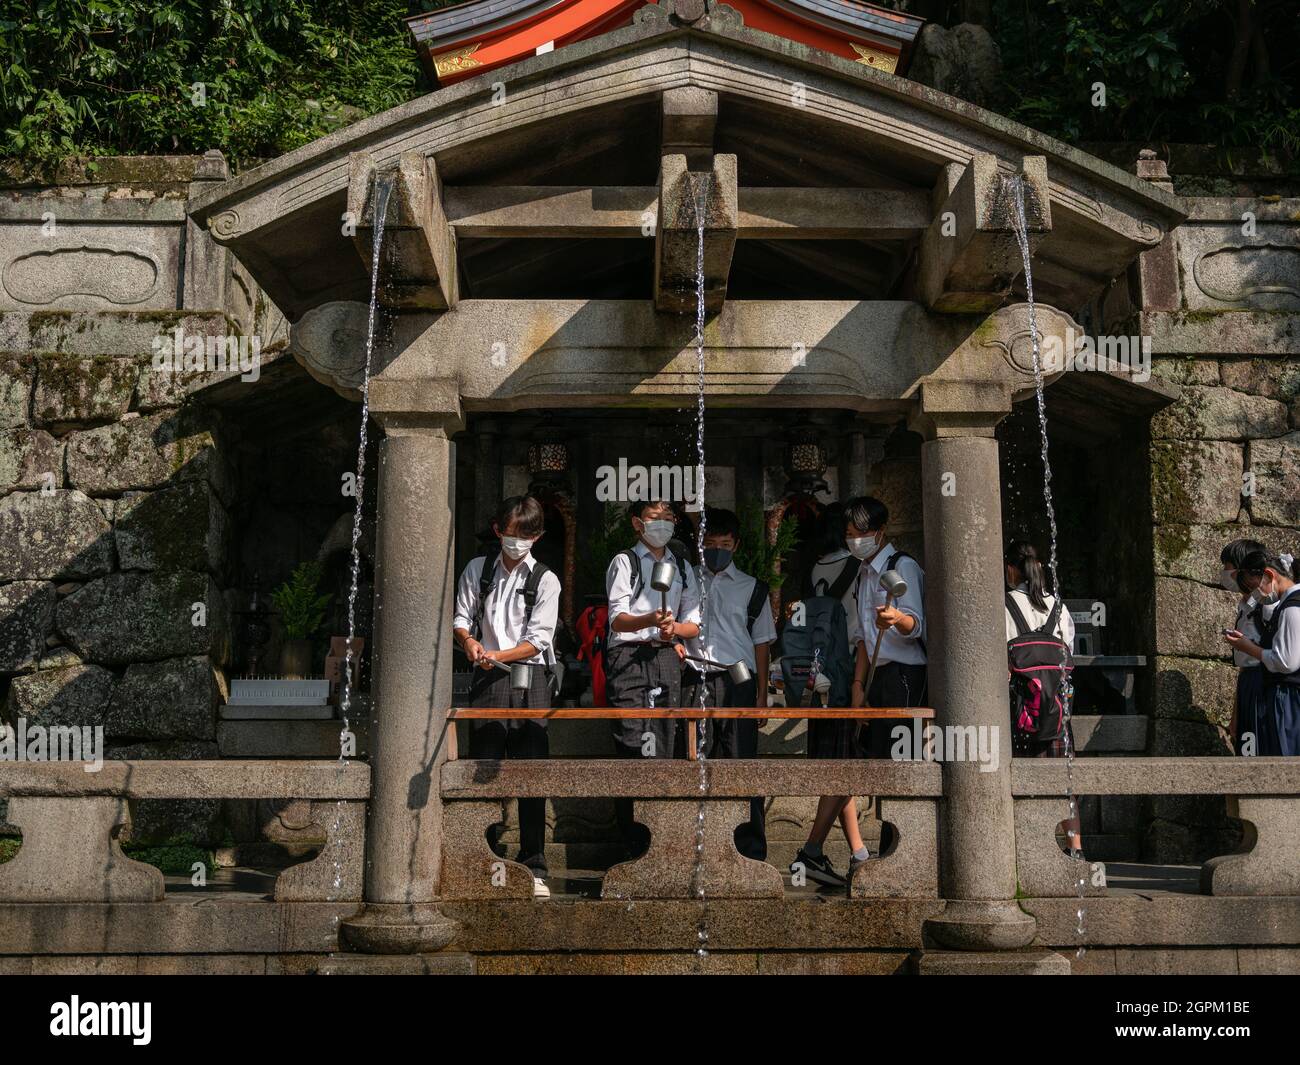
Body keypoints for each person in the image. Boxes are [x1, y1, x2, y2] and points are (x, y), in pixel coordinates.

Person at [791, 498, 926, 891]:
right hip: (873, 678)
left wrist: (897, 618)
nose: (855, 542)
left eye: (861, 535)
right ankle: (867, 855)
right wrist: (857, 688)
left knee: (899, 768)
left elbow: (915, 623)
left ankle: (896, 856)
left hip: (904, 675)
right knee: (862, 763)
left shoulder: (901, 567)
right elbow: (864, 639)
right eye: (849, 536)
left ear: (880, 532)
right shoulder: (866, 573)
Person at [452, 495, 560, 899]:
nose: (516, 542)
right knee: (485, 767)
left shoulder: (546, 579)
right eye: (510, 534)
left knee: (531, 771)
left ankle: (534, 863)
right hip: (486, 678)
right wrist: (469, 643)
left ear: (537, 537)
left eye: (525, 536)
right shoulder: (478, 570)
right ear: (498, 531)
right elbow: (461, 617)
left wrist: (497, 653)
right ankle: (487, 854)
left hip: (529, 679)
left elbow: (538, 640)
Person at [604, 499, 702, 858]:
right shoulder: (625, 562)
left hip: (665, 656)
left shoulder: (682, 567)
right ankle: (631, 847)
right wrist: (650, 620)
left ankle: (662, 846)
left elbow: (693, 622)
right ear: (637, 523)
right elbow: (617, 619)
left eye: (667, 519)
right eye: (652, 518)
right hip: (629, 658)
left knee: (665, 742)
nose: (661, 524)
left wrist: (672, 628)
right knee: (633, 744)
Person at [682, 507, 777, 860]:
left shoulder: (753, 588)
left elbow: (762, 643)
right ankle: (695, 845)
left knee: (742, 762)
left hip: (739, 680)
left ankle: (749, 849)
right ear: (700, 545)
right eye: (710, 543)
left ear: (735, 545)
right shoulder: (686, 581)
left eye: (724, 543)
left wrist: (762, 697)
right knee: (694, 759)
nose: (717, 549)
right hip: (696, 677)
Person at [1004, 539, 1076, 757]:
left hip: (1019, 716)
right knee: (1060, 783)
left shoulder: (1002, 605)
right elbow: (1069, 651)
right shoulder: (1058, 608)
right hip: (1055, 714)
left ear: (1010, 569)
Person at [1225, 550, 1300, 757]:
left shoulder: (1289, 607)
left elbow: (1286, 661)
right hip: (1261, 684)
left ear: (1269, 575)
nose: (1257, 594)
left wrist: (1247, 647)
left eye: (1256, 586)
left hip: (1282, 689)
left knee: (1279, 754)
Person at [1220, 538, 1266, 754]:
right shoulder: (1245, 607)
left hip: (1265, 685)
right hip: (1249, 682)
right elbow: (1244, 666)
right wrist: (1236, 713)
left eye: (1227, 567)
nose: (1224, 572)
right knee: (1247, 750)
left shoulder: (1267, 608)